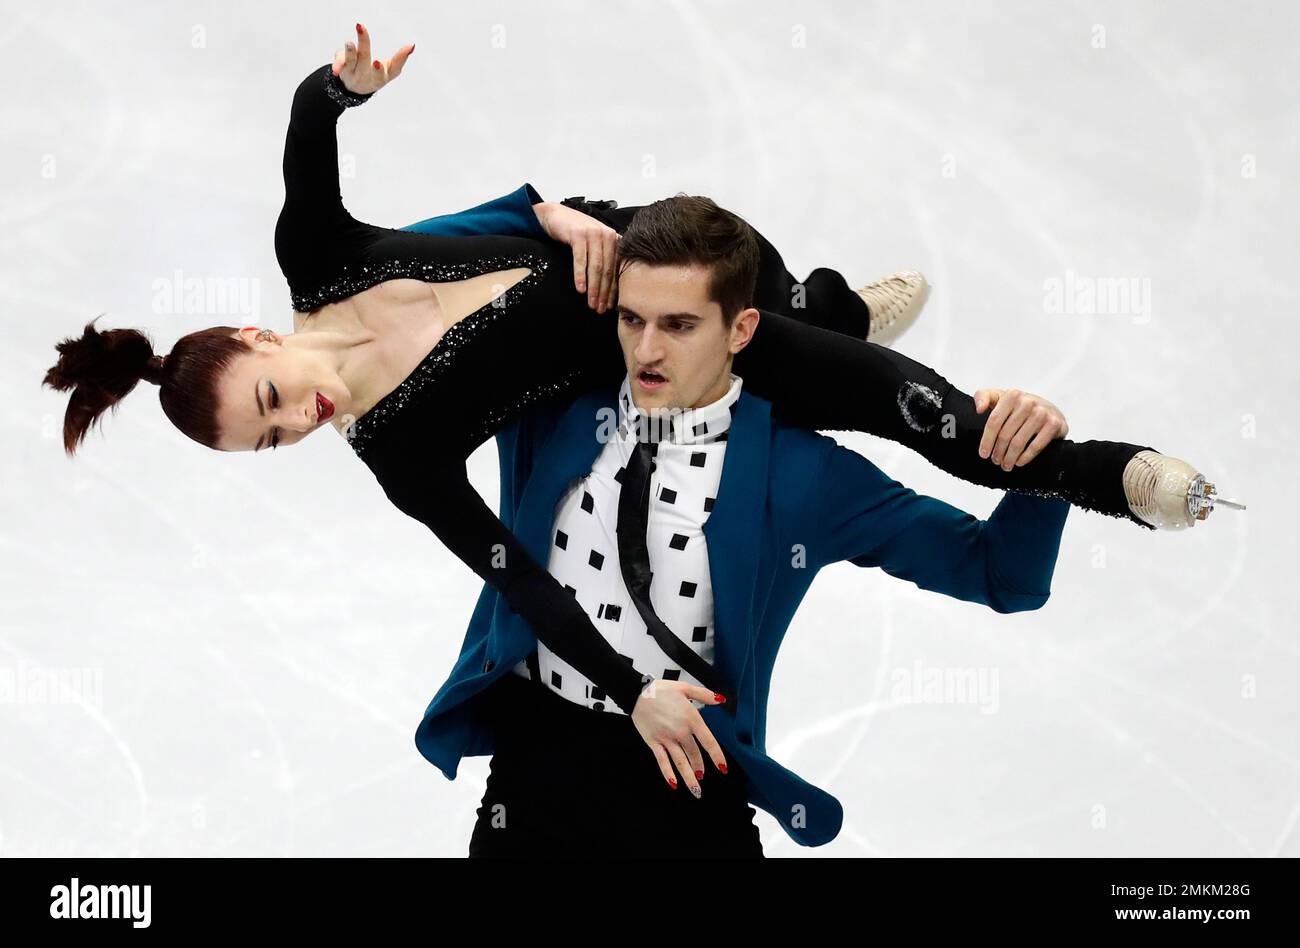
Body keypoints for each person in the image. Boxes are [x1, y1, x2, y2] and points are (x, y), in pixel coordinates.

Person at [41, 25, 1240, 779]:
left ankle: (818, 301)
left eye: (268, 396)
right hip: (679, 363)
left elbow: (309, 131)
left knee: (757, 272)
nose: (296, 423)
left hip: (670, 255)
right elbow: (518, 578)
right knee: (907, 408)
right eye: (270, 442)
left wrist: (350, 93)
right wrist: (634, 687)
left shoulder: (318, 256)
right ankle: (1113, 475)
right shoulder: (399, 451)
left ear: (261, 335)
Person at [458, 194, 1072, 855]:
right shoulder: (548, 410)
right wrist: (538, 213)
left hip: (690, 799)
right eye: (632, 319)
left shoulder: (799, 474)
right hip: (530, 789)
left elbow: (1001, 575)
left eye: (679, 325)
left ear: (742, 329)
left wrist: (1042, 464)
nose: (647, 350)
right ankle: (840, 314)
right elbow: (384, 266)